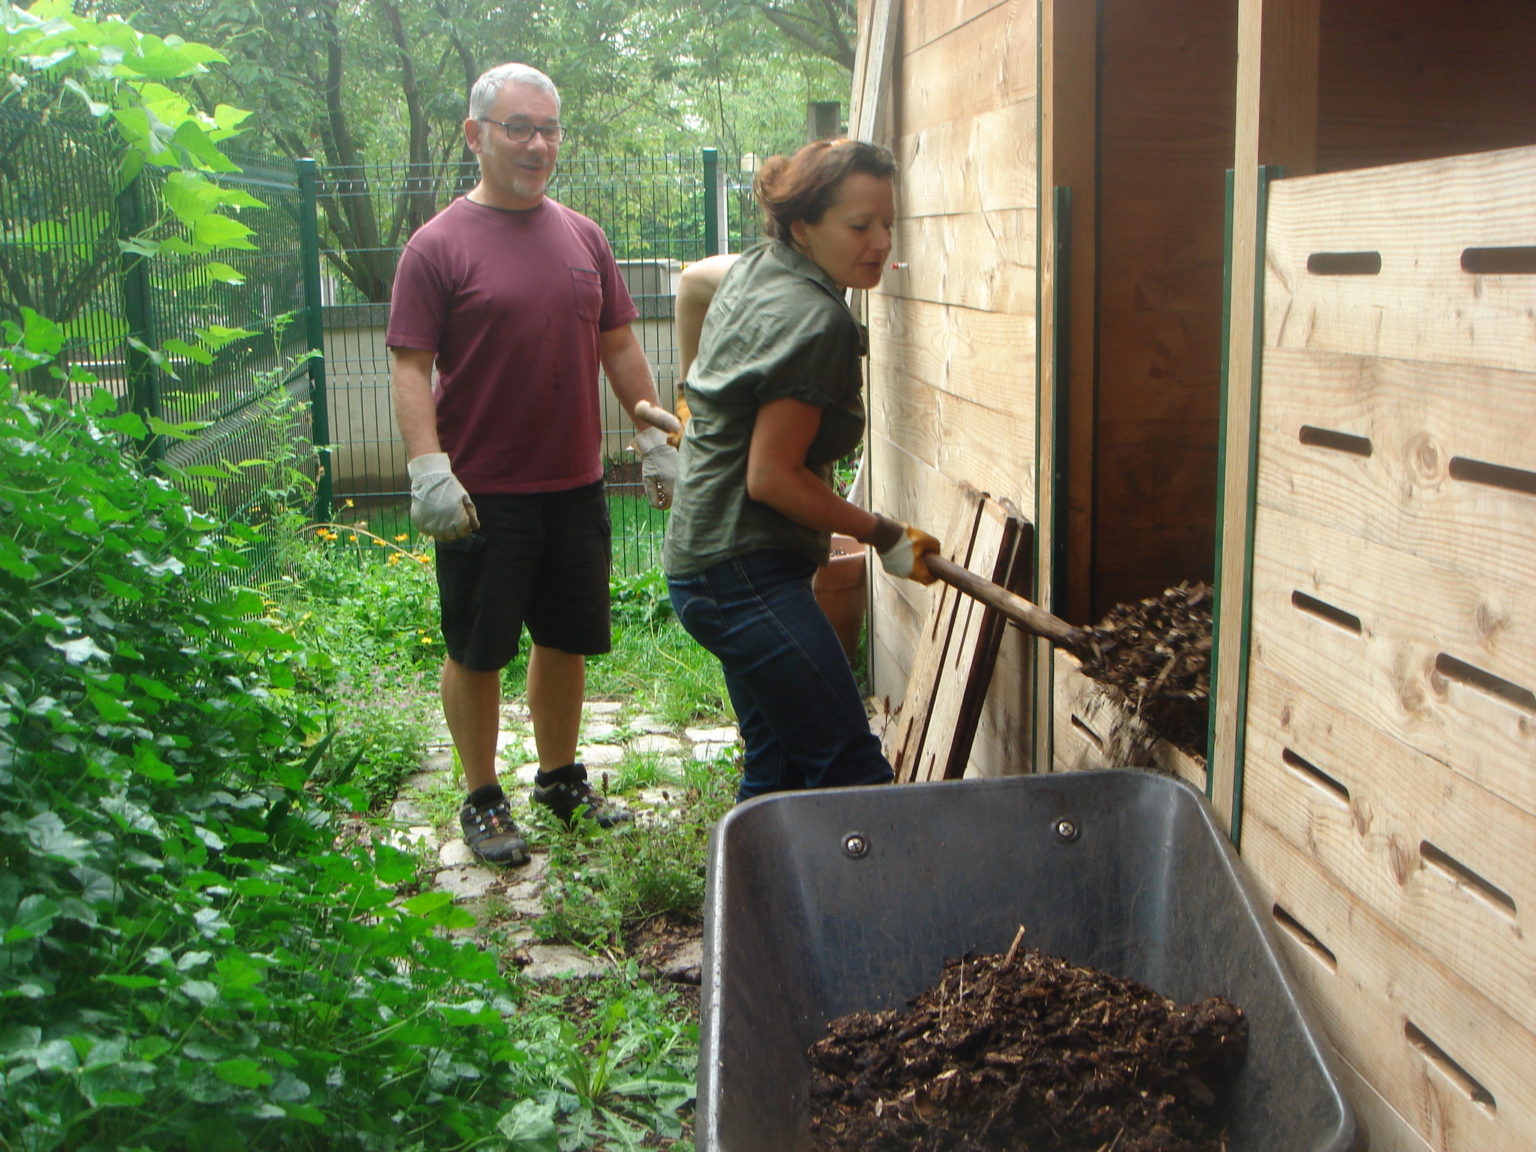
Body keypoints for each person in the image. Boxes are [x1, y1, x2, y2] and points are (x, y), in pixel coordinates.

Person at [388, 62, 677, 866]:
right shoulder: (435, 246)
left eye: (549, 128)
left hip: (574, 483)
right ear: (476, 135)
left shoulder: (584, 236)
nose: (538, 143)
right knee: (478, 648)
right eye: (519, 127)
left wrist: (652, 434)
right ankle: (482, 799)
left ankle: (558, 782)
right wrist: (427, 469)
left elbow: (616, 341)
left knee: (566, 639)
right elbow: (410, 367)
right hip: (482, 494)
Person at [663, 138, 942, 803]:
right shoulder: (818, 322)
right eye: (858, 225)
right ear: (802, 227)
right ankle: (874, 910)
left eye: (887, 224)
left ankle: (759, 905)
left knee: (779, 768)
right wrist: (884, 532)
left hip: (704, 565)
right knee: (854, 776)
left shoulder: (763, 266)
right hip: (742, 576)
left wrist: (692, 390)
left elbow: (693, 281)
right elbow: (773, 479)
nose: (878, 241)